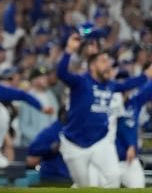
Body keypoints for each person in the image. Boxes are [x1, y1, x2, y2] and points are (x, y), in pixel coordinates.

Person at [56, 32, 150, 188]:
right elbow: (62, 73)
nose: (108, 65)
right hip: (74, 144)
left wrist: (147, 74)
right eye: (103, 61)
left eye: (108, 61)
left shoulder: (110, 85)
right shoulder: (81, 82)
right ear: (92, 66)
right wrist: (68, 51)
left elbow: (131, 83)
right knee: (84, 185)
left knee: (113, 178)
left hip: (100, 141)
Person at [116, 77, 152, 188]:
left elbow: (148, 90)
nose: (124, 92)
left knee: (138, 186)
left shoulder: (134, 103)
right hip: (110, 159)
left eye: (125, 89)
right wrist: (130, 145)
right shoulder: (108, 105)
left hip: (130, 161)